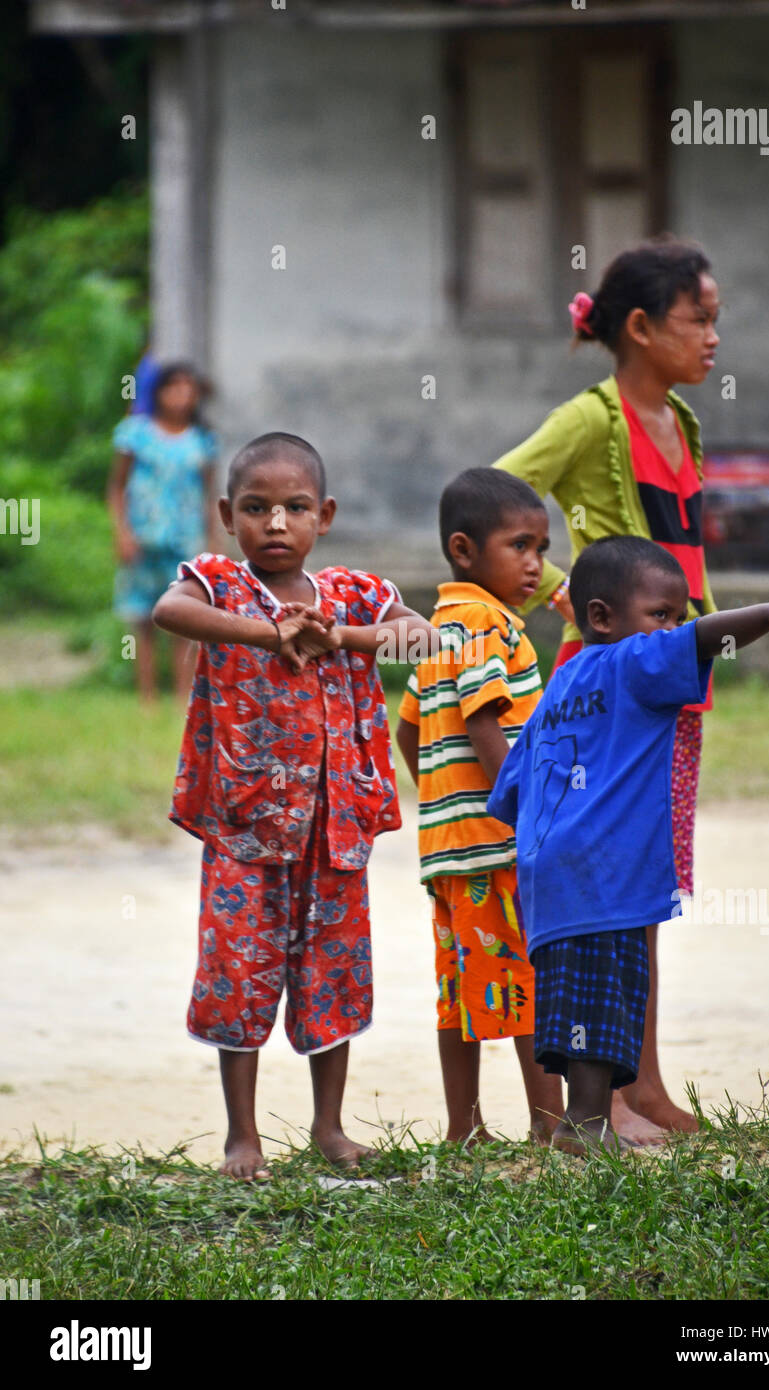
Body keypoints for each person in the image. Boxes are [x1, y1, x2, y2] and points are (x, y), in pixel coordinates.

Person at [153, 431, 436, 1178]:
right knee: (237, 973)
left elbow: (422, 638)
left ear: (325, 515)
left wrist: (341, 636)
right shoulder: (217, 583)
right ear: (226, 515)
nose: (275, 523)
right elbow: (167, 612)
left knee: (332, 975)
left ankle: (328, 1127)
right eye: (255, 508)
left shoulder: (353, 594)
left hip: (336, 829)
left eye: (294, 507)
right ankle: (241, 1136)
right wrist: (269, 634)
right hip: (246, 826)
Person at [487, 535, 769, 1154]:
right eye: (661, 615)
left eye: (677, 615)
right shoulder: (630, 664)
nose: (671, 629)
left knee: (576, 996)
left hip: (550, 876)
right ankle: (587, 1125)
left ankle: (578, 1118)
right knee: (606, 994)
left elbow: (509, 787)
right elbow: (701, 641)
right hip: (605, 873)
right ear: (601, 618)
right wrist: (768, 613)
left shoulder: (560, 688)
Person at [492, 236, 721, 1142]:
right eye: (696, 318)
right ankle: (613, 1098)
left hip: (670, 689)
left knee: (647, 884)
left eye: (714, 321)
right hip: (612, 696)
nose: (711, 338)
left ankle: (646, 1081)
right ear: (638, 326)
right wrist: (560, 592)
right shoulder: (592, 417)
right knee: (608, 883)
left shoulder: (684, 424)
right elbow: (503, 489)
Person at [396, 469, 564, 1145]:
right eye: (519, 546)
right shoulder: (487, 625)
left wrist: (441, 799)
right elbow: (482, 720)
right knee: (524, 979)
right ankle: (548, 1123)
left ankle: (463, 1128)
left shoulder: (438, 628)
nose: (535, 565)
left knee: (459, 986)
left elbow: (408, 728)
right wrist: (523, 817)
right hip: (498, 847)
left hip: (448, 848)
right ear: (464, 550)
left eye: (541, 548)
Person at [108, 361, 219, 702]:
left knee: (184, 619)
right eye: (173, 387)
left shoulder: (202, 441)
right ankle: (147, 696)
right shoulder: (135, 434)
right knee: (143, 618)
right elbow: (116, 486)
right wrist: (122, 533)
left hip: (184, 539)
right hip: (143, 538)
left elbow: (209, 495)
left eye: (188, 388)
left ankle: (183, 694)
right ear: (158, 392)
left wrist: (214, 540)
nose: (180, 395)